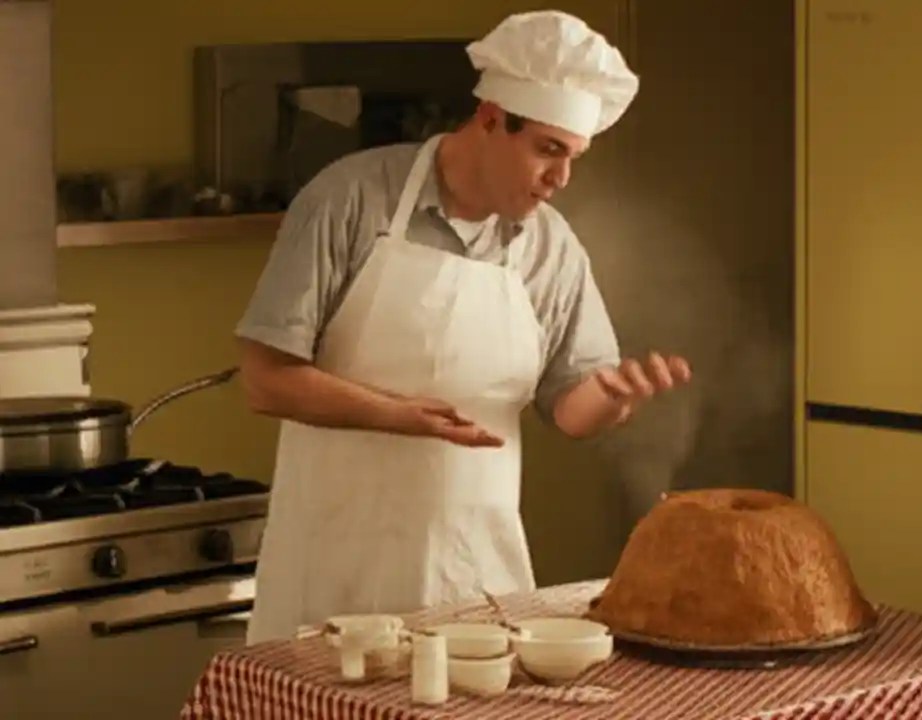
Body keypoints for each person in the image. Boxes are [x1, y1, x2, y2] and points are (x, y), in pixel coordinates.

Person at [235, 10, 692, 645]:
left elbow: (569, 409)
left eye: (574, 157)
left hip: (474, 577)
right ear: (490, 119)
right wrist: (399, 417)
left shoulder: (550, 250)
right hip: (334, 566)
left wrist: (616, 396)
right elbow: (265, 381)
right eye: (548, 150)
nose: (561, 179)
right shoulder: (350, 201)